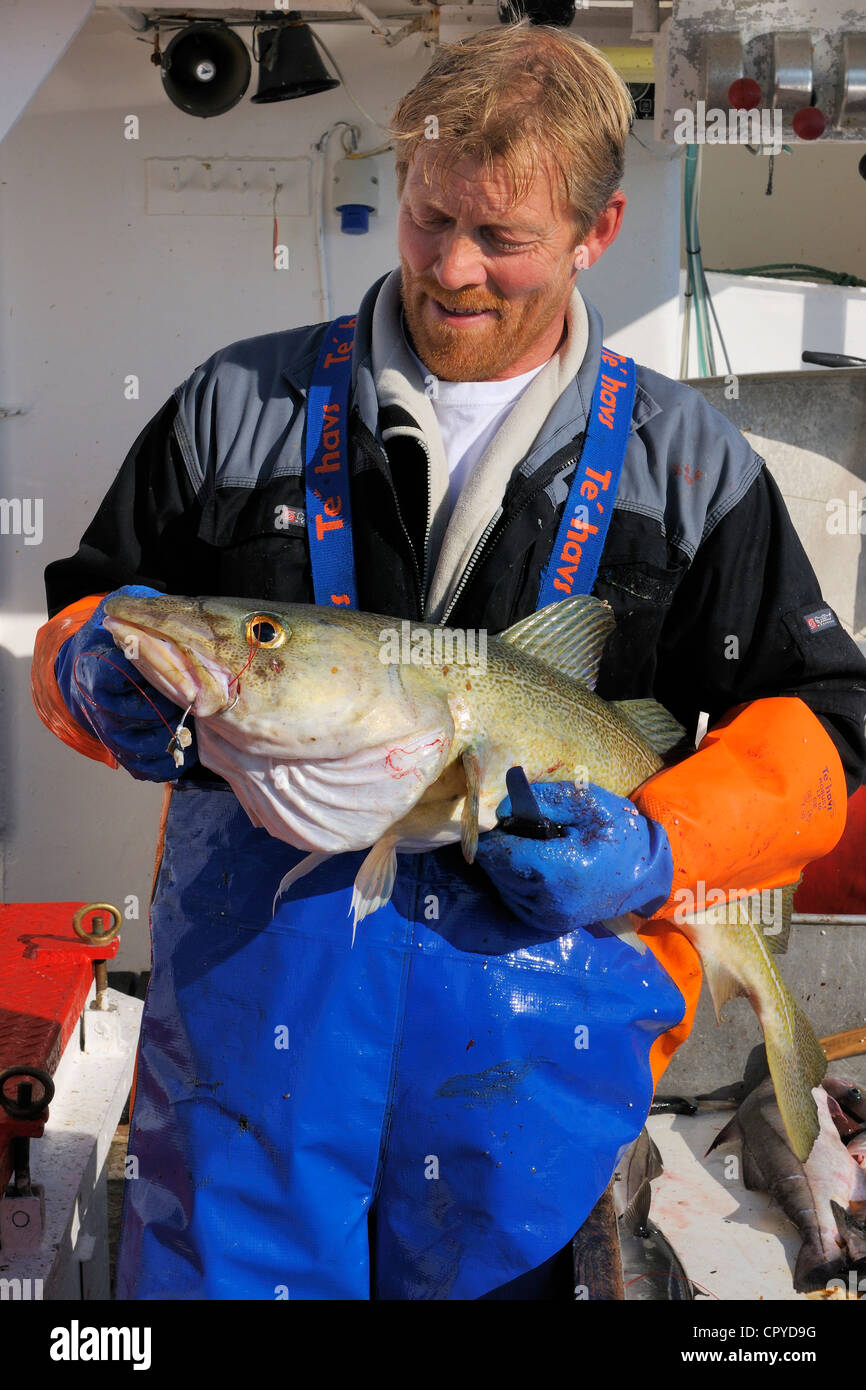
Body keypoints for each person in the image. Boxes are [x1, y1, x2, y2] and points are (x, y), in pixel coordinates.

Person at [32, 23, 866, 1300]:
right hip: (241, 1091)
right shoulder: (231, 404)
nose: (451, 269)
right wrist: (90, 670)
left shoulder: (689, 465)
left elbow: (828, 715)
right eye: (427, 218)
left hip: (525, 1110)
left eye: (502, 238)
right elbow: (93, 611)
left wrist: (659, 849)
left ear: (598, 229)